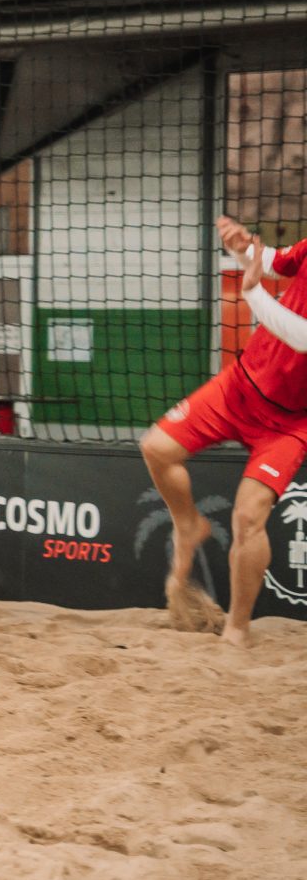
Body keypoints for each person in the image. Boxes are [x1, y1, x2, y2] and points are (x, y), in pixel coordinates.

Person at [140, 215, 307, 648]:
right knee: (157, 449)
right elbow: (270, 260)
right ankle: (189, 525)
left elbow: (302, 338)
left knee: (249, 518)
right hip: (241, 386)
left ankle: (237, 627)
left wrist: (251, 292)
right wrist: (241, 247)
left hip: (291, 422)